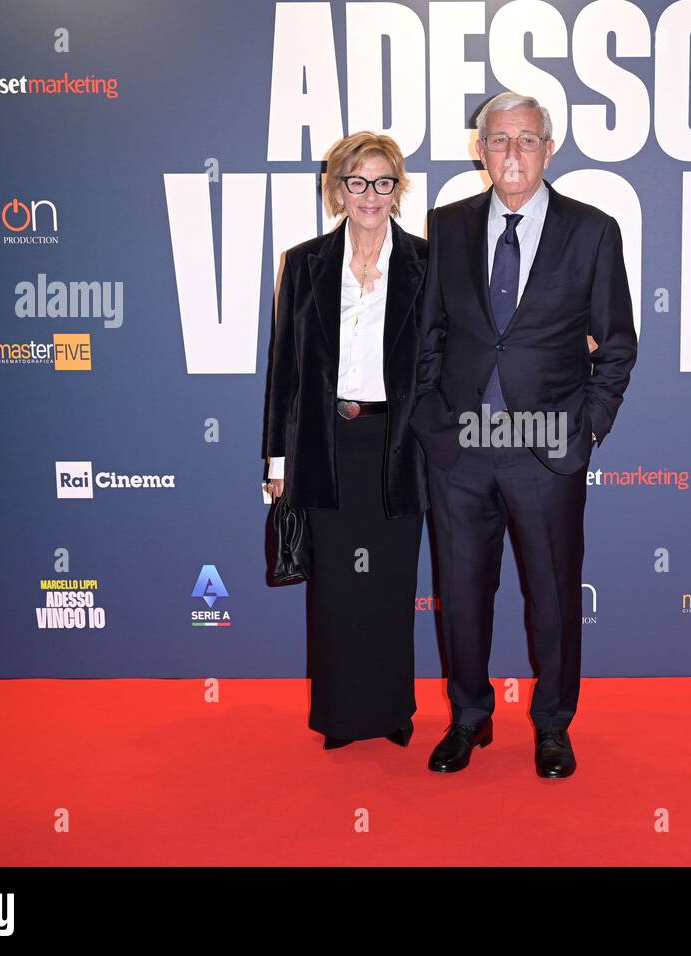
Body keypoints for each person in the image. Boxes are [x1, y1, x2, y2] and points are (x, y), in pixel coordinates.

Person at [410, 92, 638, 778]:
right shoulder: (446, 226)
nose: (513, 154)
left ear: (549, 147)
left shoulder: (592, 231)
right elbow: (431, 334)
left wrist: (588, 427)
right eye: (499, 140)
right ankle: (469, 718)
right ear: (479, 149)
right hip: (460, 450)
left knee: (554, 598)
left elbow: (618, 344)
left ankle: (553, 726)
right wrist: (431, 418)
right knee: (463, 595)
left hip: (547, 450)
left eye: (527, 140)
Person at [262, 131, 429, 750]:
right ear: (338, 190)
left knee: (390, 584)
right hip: (324, 444)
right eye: (356, 181)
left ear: (397, 190)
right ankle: (339, 715)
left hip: (397, 446)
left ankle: (393, 712)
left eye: (382, 181)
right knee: (335, 588)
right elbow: (284, 371)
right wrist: (276, 461)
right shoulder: (303, 263)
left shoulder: (425, 263)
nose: (369, 195)